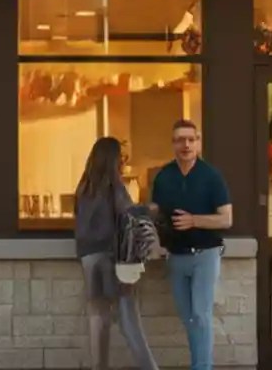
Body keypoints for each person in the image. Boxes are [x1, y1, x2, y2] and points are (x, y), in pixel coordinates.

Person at [150, 120, 232, 370]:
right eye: (180, 140)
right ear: (173, 144)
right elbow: (155, 214)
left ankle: (202, 367)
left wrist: (194, 220)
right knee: (189, 318)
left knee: (201, 315)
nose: (186, 145)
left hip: (205, 255)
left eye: (190, 139)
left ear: (198, 142)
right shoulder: (163, 177)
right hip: (176, 257)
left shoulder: (211, 176)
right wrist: (154, 238)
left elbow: (227, 219)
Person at [74, 137, 159, 370]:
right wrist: (151, 209)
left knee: (97, 315)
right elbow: (129, 215)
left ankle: (99, 367)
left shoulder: (83, 188)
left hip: (88, 257)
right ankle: (149, 367)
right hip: (115, 257)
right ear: (113, 160)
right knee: (128, 315)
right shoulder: (115, 187)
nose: (123, 161)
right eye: (121, 157)